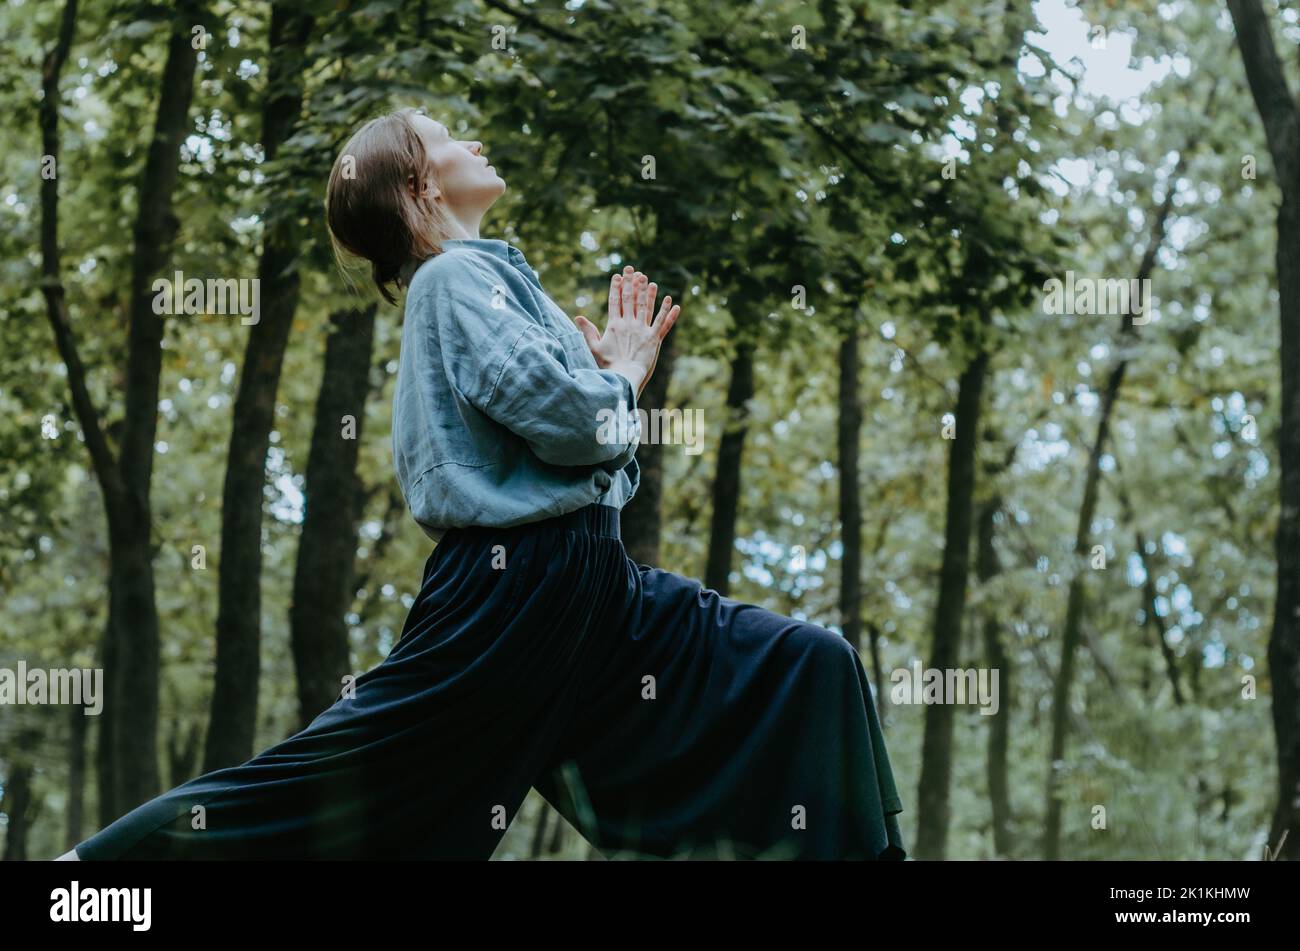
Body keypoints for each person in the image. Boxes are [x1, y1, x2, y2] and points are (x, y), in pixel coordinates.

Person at [59, 107, 905, 860]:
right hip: (513, 591)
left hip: (597, 590)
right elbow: (583, 428)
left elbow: (590, 443)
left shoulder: (488, 280)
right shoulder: (456, 279)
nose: (470, 139)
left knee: (806, 665)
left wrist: (604, 375)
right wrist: (626, 371)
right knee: (346, 777)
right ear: (423, 184)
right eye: (442, 136)